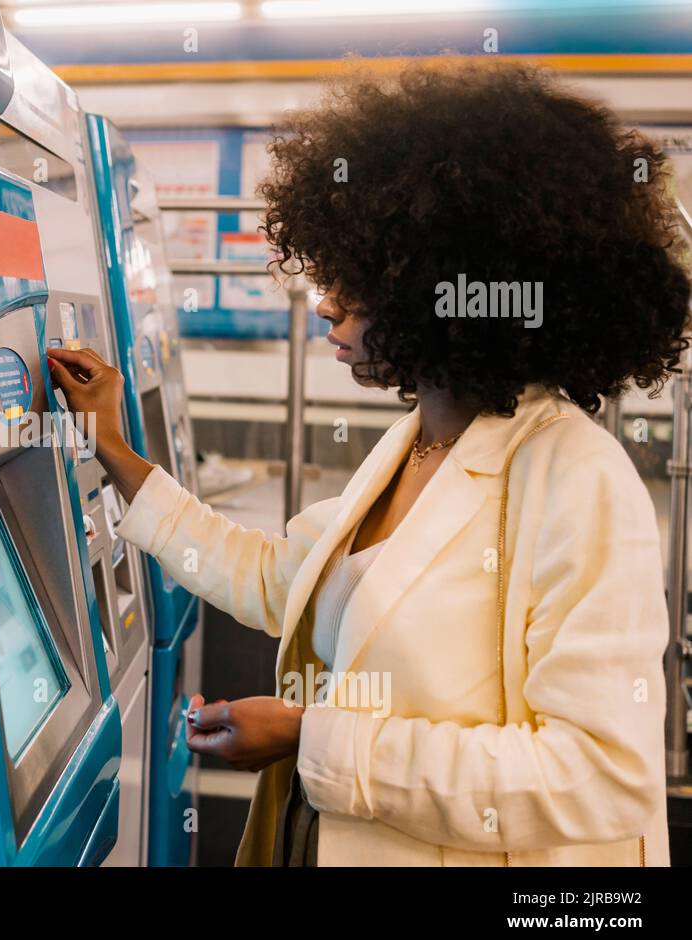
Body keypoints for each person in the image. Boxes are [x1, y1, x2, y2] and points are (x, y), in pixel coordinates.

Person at [46, 60, 690, 866]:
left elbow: (601, 775)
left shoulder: (577, 476)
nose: (325, 301)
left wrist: (315, 737)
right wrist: (117, 453)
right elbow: (283, 578)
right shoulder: (416, 444)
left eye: (364, 277)